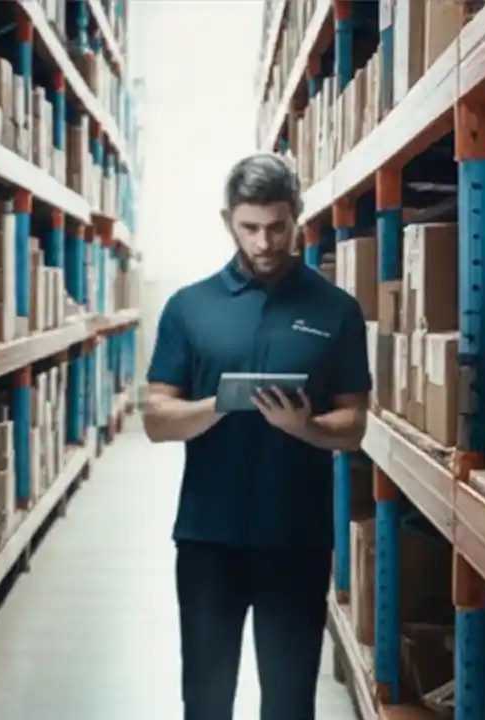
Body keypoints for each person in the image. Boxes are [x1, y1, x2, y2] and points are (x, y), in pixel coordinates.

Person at [143, 153, 371, 720]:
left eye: (277, 226)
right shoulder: (189, 308)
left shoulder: (336, 311)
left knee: (291, 702)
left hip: (297, 539)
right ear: (228, 222)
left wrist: (304, 426)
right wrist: (217, 406)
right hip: (207, 539)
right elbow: (155, 419)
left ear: (296, 217)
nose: (265, 241)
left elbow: (354, 426)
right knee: (206, 699)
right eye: (250, 227)